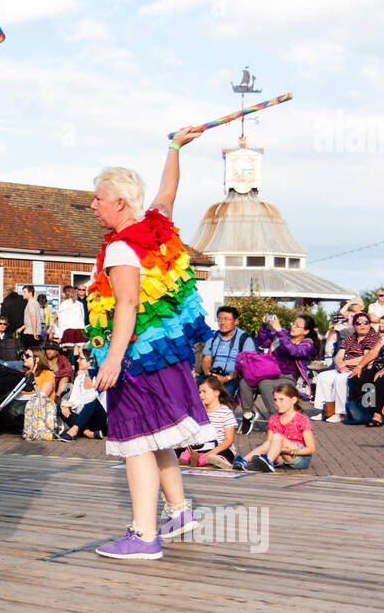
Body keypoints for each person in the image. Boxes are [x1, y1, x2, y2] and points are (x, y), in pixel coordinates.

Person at [85, 126, 214, 562]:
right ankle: (177, 511)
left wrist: (113, 361)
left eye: (98, 199)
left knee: (137, 442)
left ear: (120, 203)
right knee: (159, 437)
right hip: (169, 355)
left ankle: (143, 535)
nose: (93, 206)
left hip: (138, 360)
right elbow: (168, 192)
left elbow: (126, 304)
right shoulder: (157, 227)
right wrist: (175, 147)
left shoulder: (122, 249)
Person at [237, 313, 318, 433]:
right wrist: (265, 327)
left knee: (265, 384)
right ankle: (248, 415)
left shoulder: (307, 343)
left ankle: (276, 419)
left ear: (306, 331)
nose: (293, 327)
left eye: (297, 325)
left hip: (288, 378)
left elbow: (294, 351)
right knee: (244, 382)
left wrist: (280, 331)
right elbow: (262, 342)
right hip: (268, 373)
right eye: (293, 323)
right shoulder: (282, 334)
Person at [313, 312, 381, 423]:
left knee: (340, 379)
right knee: (323, 376)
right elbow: (339, 354)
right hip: (344, 367)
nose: (362, 325)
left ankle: (340, 413)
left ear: (370, 324)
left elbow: (366, 357)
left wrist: (346, 363)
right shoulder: (351, 337)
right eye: (358, 323)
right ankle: (325, 410)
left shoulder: (373, 337)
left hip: (360, 368)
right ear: (354, 325)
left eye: (365, 322)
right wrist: (340, 364)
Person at [235, 383, 316, 472]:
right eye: (275, 400)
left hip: (299, 457)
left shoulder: (302, 419)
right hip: (281, 457)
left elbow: (311, 449)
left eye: (281, 400)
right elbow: (269, 443)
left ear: (293, 400)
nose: (277, 403)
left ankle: (267, 461)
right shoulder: (274, 419)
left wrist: (291, 452)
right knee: (269, 442)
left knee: (277, 436)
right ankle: (244, 461)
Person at [179, 375, 238, 469]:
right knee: (177, 450)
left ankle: (215, 461)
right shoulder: (198, 412)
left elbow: (229, 440)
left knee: (224, 454)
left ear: (216, 393)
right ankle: (197, 460)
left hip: (220, 447)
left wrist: (211, 453)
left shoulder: (226, 412)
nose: (201, 395)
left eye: (204, 392)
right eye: (199, 392)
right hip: (201, 446)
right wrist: (188, 448)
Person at [199, 305, 256, 398]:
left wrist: (227, 378)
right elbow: (206, 359)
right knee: (193, 387)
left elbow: (246, 366)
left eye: (227, 319)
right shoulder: (213, 337)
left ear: (236, 321)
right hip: (212, 376)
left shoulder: (245, 339)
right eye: (220, 319)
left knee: (226, 393)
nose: (222, 322)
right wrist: (208, 373)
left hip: (233, 378)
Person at [57, 348, 106, 440]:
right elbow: (73, 399)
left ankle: (74, 430)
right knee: (59, 407)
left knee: (92, 401)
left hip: (100, 420)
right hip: (83, 419)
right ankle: (87, 432)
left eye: (81, 358)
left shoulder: (101, 378)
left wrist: (69, 404)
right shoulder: (79, 378)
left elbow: (90, 398)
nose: (77, 360)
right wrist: (65, 405)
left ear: (90, 361)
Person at [22, 349, 57, 441]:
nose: (24, 357)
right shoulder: (24, 374)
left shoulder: (47, 374)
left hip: (40, 408)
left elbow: (43, 395)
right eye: (24, 355)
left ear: (37, 359)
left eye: (27, 356)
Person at [20, 285, 42, 350]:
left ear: (30, 293)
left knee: (29, 354)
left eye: (24, 292)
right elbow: (30, 320)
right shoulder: (36, 302)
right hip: (34, 331)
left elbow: (33, 318)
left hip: (30, 333)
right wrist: (21, 328)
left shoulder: (30, 303)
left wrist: (34, 332)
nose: (23, 294)